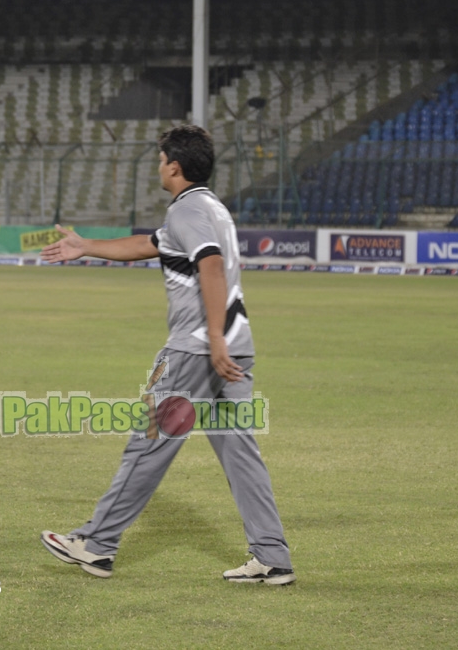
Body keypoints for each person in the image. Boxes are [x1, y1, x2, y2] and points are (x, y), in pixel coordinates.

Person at [39, 124, 294, 584]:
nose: (158, 166)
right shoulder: (209, 206)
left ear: (174, 167)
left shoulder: (188, 210)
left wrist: (213, 339)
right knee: (241, 454)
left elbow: (211, 264)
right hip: (236, 347)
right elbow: (150, 246)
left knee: (149, 442)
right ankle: (272, 556)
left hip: (198, 350)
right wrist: (86, 246)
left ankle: (96, 544)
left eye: (160, 161)